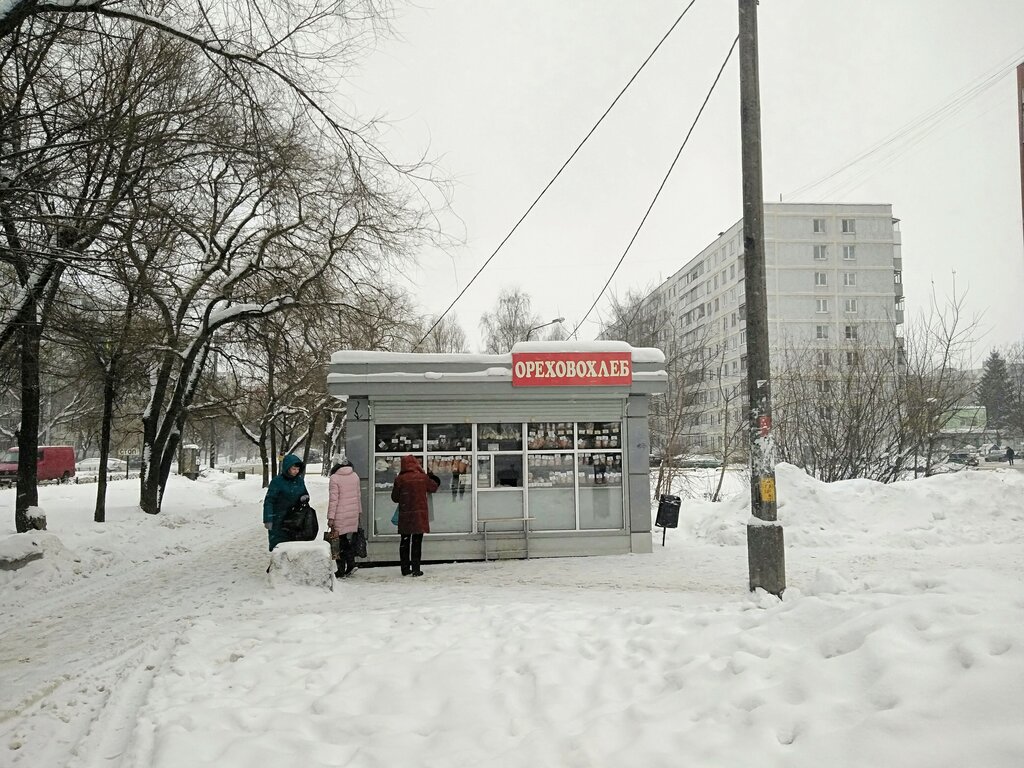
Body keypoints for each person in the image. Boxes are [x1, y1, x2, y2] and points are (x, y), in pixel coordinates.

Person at [390, 454, 439, 576]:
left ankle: (405, 568)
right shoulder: (422, 477)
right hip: (419, 515)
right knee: (417, 542)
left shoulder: (400, 479)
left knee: (404, 542)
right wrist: (432, 476)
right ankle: (416, 569)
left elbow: (395, 498)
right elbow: (433, 487)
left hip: (406, 515)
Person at [262, 453, 308, 553]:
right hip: (279, 521)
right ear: (287, 468)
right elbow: (269, 501)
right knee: (279, 549)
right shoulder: (277, 482)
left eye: (298, 469)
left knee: (293, 549)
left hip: (295, 521)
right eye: (293, 469)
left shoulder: (299, 481)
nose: (296, 471)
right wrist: (268, 519)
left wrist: (305, 497)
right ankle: (276, 568)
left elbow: (304, 493)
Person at [327, 458, 361, 578]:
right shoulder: (355, 476)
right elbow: (358, 495)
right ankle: (351, 563)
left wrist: (331, 517)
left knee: (338, 542)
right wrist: (359, 511)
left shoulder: (334, 478)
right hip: (352, 513)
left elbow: (333, 500)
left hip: (340, 514)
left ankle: (341, 569)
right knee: (344, 540)